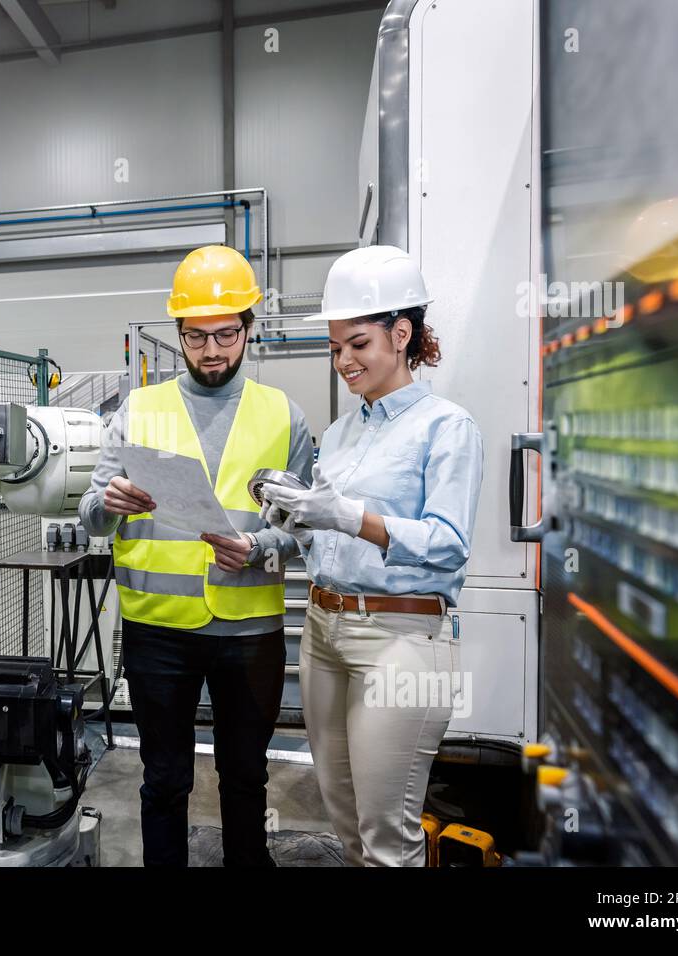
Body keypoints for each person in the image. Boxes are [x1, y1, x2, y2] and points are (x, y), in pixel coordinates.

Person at [78, 245, 313, 867]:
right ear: (178, 334)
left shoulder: (285, 417)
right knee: (163, 781)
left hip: (249, 630)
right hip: (157, 629)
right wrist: (110, 502)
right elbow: (89, 515)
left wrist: (262, 546)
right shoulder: (139, 409)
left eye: (226, 335)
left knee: (246, 776)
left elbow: (305, 531)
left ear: (249, 330)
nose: (212, 351)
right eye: (196, 336)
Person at [260, 245, 484, 867]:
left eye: (357, 344)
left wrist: (353, 518)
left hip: (400, 634)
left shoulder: (447, 427)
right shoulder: (340, 433)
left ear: (402, 333)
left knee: (388, 832)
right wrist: (290, 526)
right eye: (335, 348)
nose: (343, 361)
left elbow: (448, 545)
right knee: (346, 820)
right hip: (323, 631)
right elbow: (329, 537)